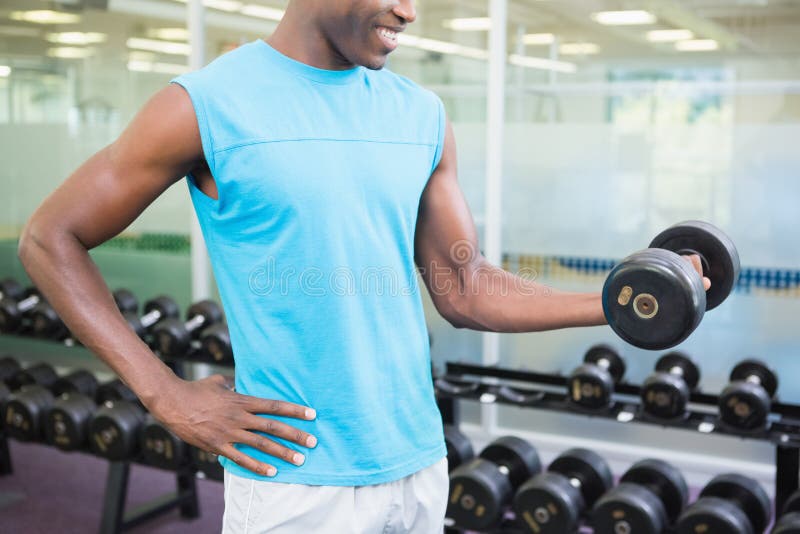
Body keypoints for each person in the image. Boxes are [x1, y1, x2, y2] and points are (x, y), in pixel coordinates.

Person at [18, 1, 708, 532]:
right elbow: (51, 238)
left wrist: (624, 297)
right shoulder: (205, 105)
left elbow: (465, 285)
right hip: (295, 476)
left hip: (418, 464)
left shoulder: (420, 115)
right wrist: (164, 394)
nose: (409, 10)